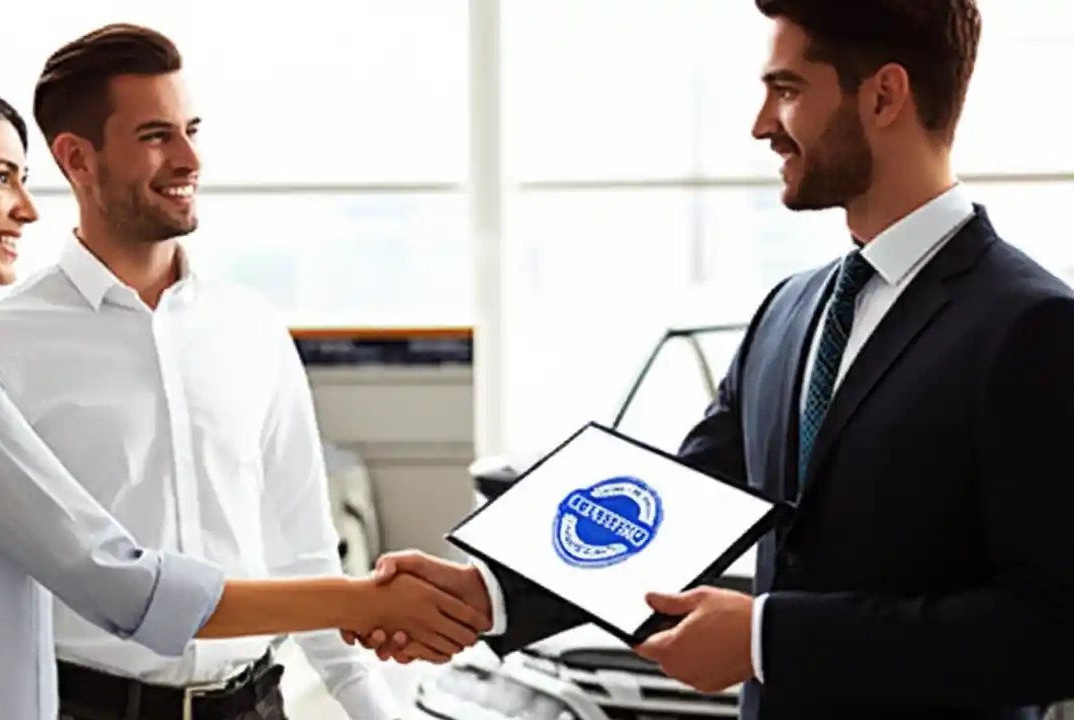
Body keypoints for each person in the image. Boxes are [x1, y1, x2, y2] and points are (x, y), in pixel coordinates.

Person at [350, 1, 1074, 718]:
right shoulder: (790, 312)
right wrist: (485, 593)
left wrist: (767, 638)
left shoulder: (1033, 326)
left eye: (786, 90)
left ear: (884, 95)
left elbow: (1053, 628)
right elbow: (677, 503)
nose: (762, 125)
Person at [0, 70, 487, 720]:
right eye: (0, 178)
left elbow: (292, 540)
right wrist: (363, 600)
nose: (29, 210)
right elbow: (119, 581)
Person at [0, 24, 453, 720]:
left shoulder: (249, 327)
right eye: (156, 135)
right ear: (78, 159)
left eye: (191, 129)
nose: (189, 157)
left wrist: (372, 707)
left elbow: (303, 549)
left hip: (254, 705)